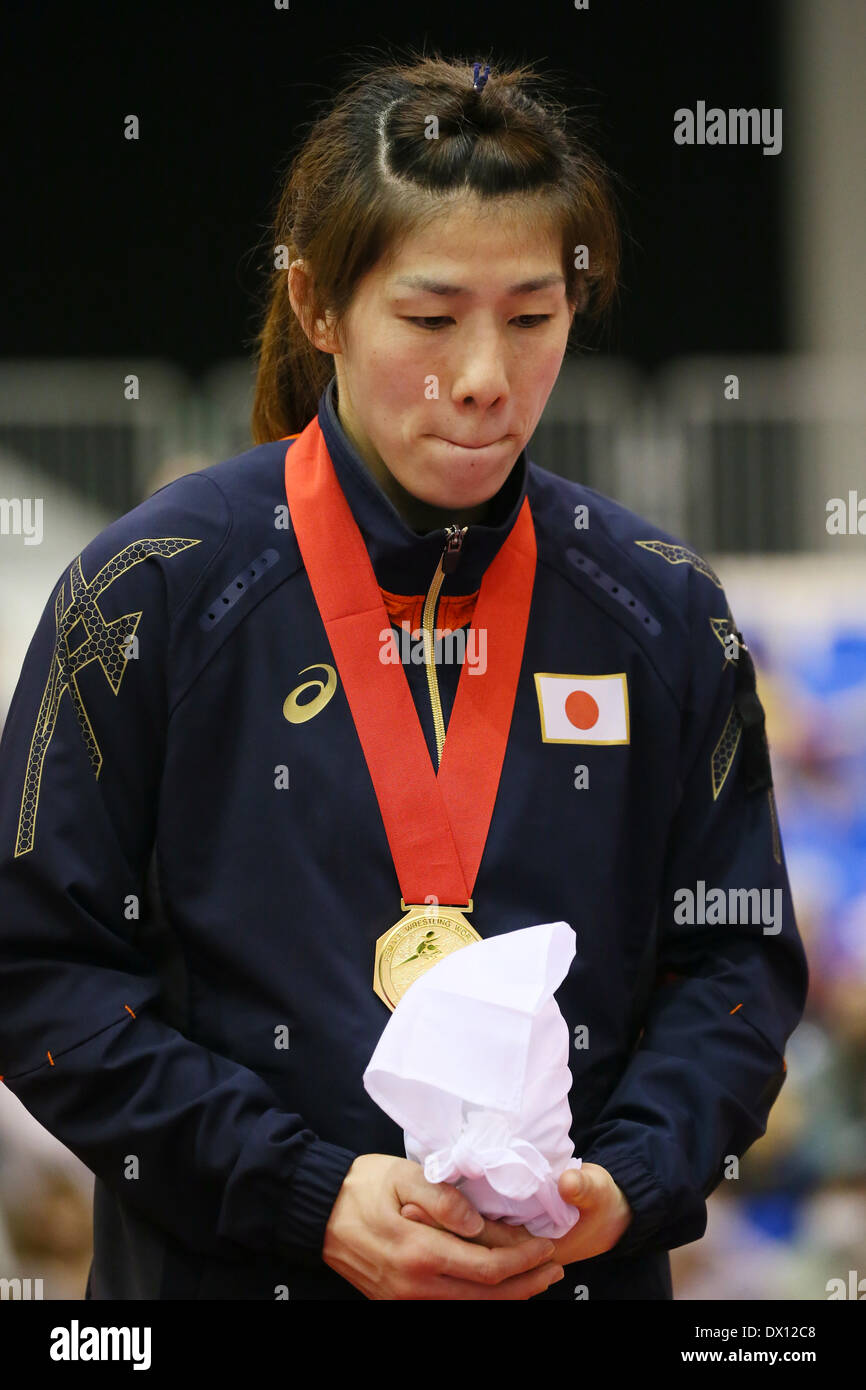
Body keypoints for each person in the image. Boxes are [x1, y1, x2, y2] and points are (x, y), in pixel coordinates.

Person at [0, 49, 808, 1301]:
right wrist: (302, 1192)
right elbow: (35, 964)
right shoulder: (150, 591)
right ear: (320, 306)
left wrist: (626, 1183)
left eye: (532, 317)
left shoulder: (657, 607)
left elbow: (733, 964)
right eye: (430, 320)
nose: (484, 376)